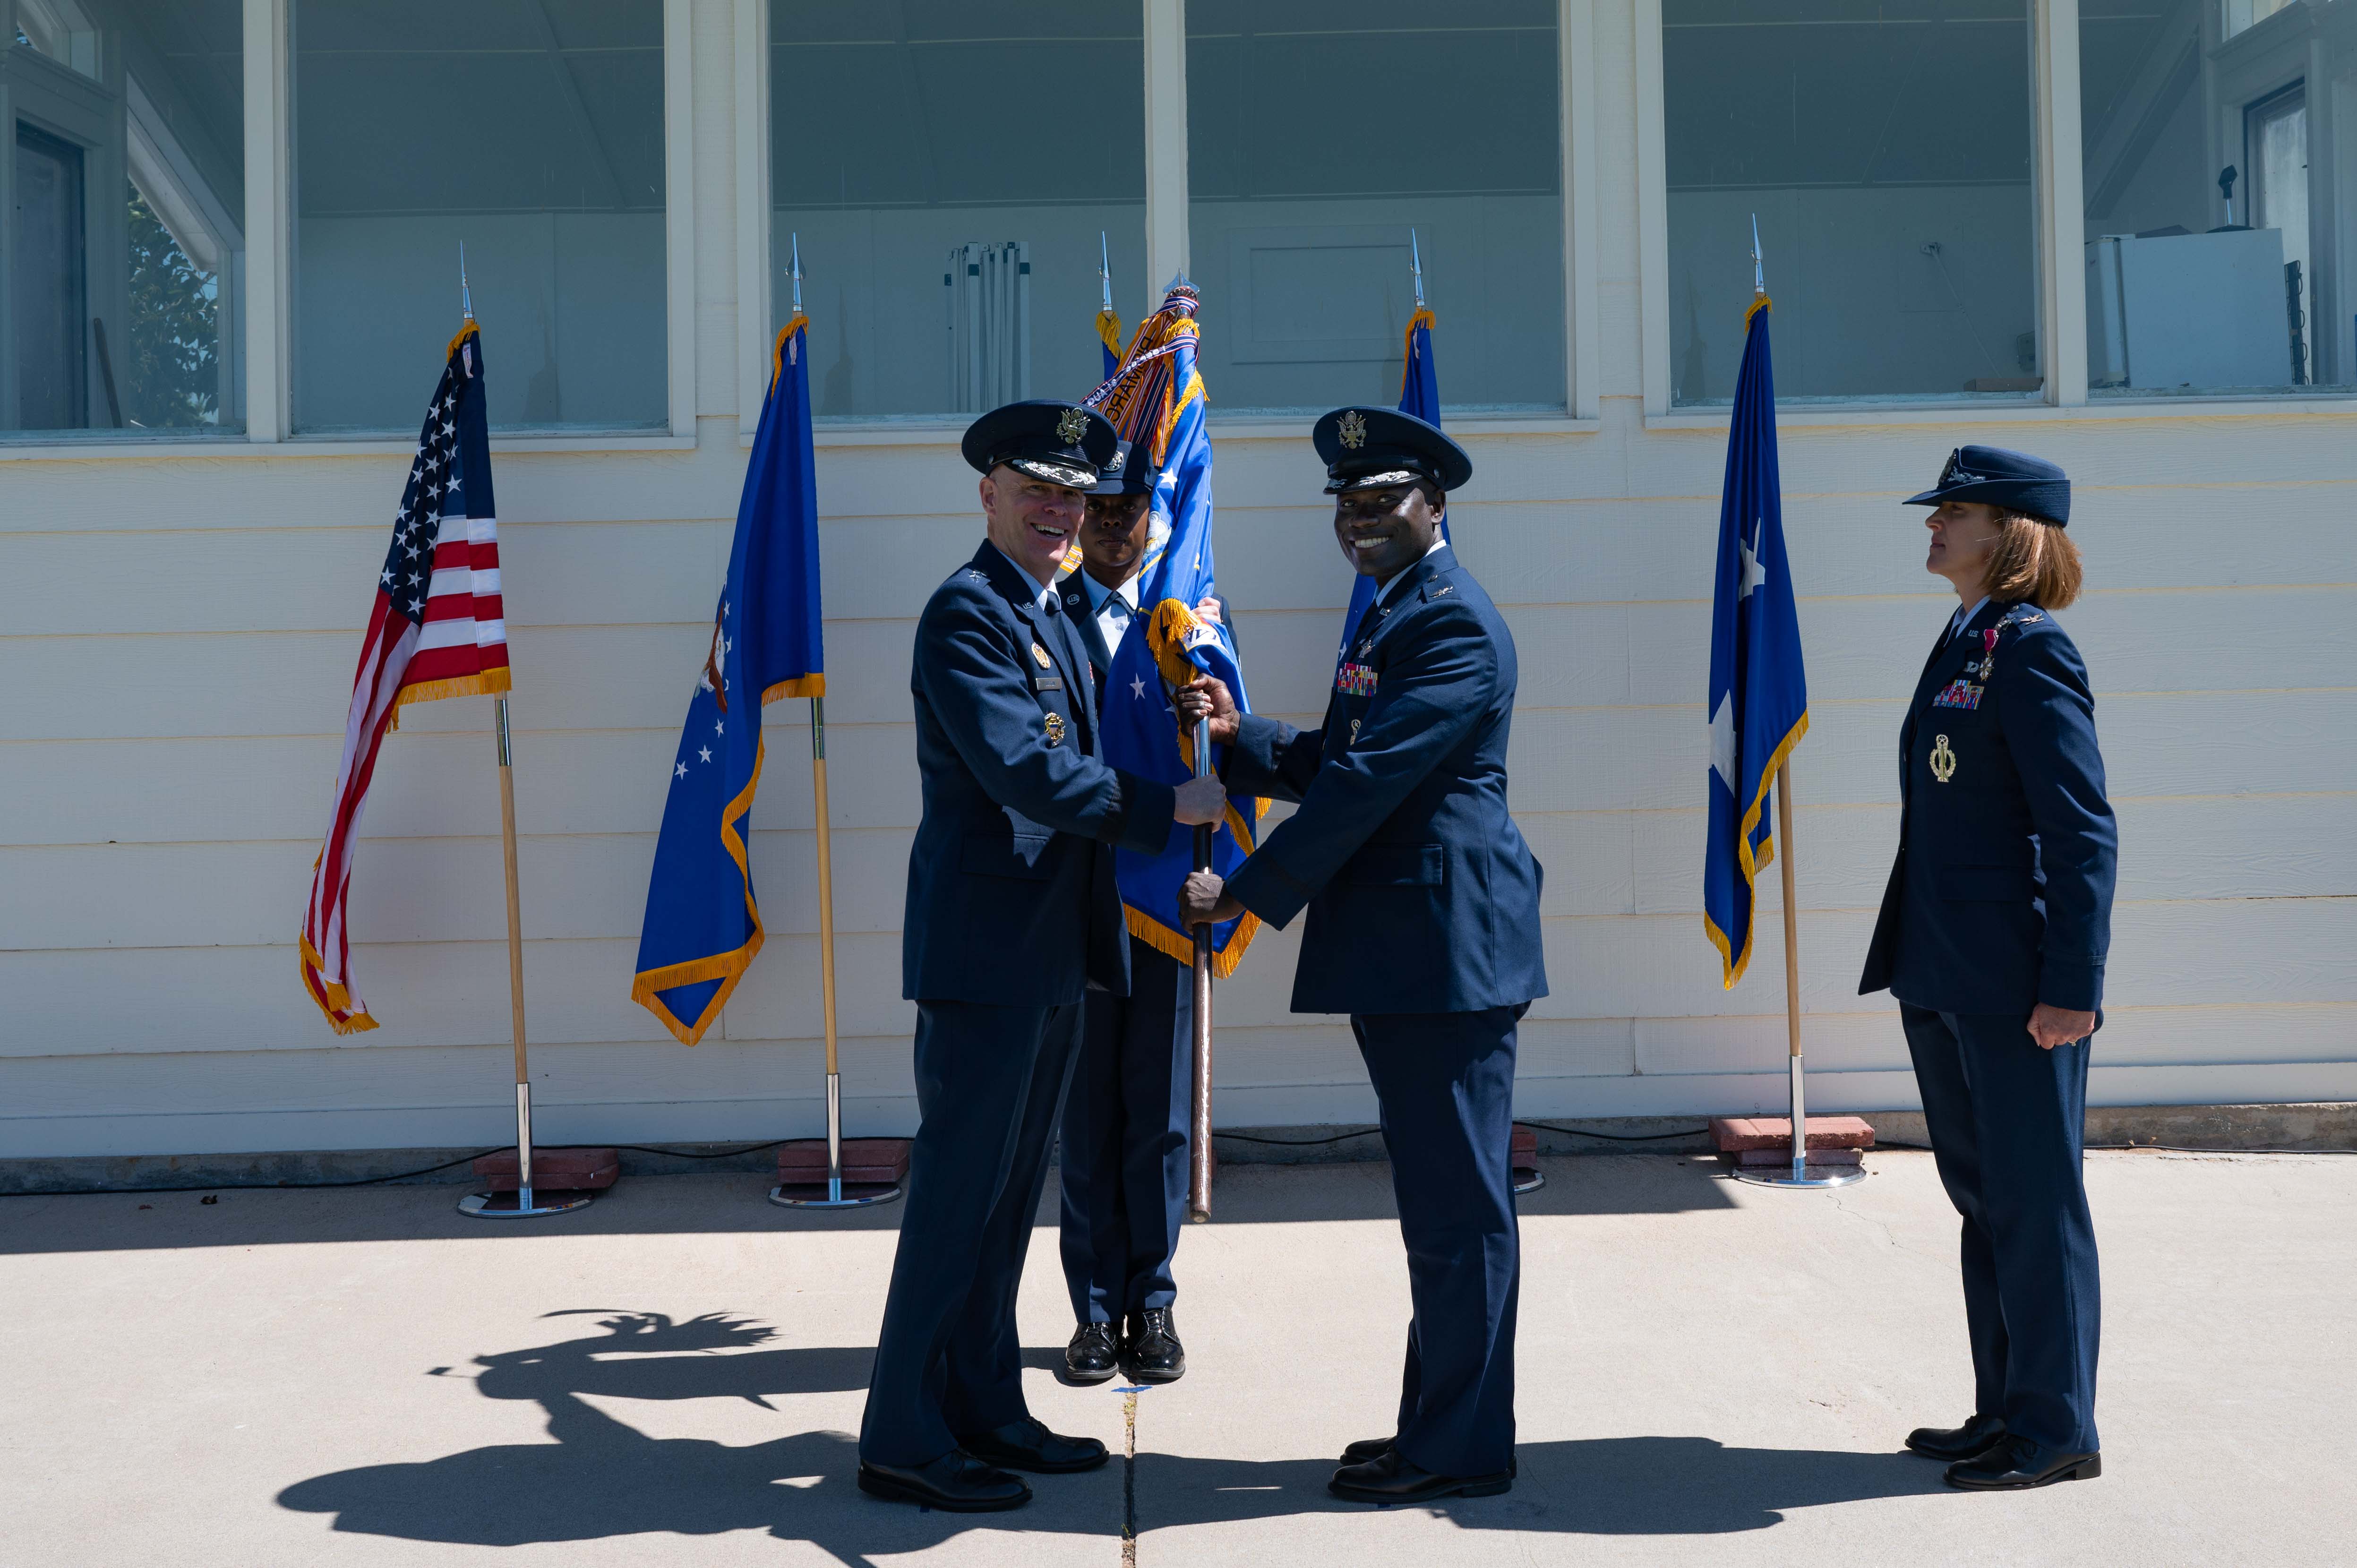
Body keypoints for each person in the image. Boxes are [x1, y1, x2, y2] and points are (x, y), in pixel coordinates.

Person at [857, 401, 1230, 1513]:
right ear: (989, 494)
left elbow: (1101, 732)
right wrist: (1168, 808)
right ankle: (902, 1435)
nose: (1061, 512)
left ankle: (982, 1407)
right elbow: (1024, 769)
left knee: (1009, 1197)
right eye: (1038, 492)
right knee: (956, 1199)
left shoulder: (1055, 609)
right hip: (985, 958)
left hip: (1053, 951)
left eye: (1073, 496)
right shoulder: (967, 615)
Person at [1176, 406, 1545, 1505]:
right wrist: (1239, 736)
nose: (1358, 520)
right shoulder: (1395, 611)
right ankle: (1436, 1426)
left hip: (1445, 952)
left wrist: (1241, 892)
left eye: (1381, 500)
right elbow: (1343, 753)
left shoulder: (1450, 624)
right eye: (1345, 503)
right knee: (1438, 1206)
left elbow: (1364, 785)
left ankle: (1460, 1445)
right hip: (1408, 949)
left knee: (1458, 1210)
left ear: (1436, 504)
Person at [1862, 445, 2117, 1491]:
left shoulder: (2031, 649)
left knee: (2035, 1202)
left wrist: (2071, 984)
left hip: (2015, 980)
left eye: (1952, 512)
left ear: (2009, 533)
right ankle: (2005, 1407)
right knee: (1985, 1198)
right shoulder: (1966, 636)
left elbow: (2080, 829)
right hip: (1943, 965)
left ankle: (2056, 1428)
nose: (1931, 525)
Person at [1052, 443, 1232, 1388]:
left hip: (1160, 892)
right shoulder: (1045, 611)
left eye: (1131, 509)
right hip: (1077, 893)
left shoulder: (1184, 614)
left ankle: (1152, 1301)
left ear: (1155, 516)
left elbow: (1222, 741)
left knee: (1157, 1114)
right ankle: (1091, 1310)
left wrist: (1213, 706)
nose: (1115, 526)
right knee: (1089, 1115)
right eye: (1100, 508)